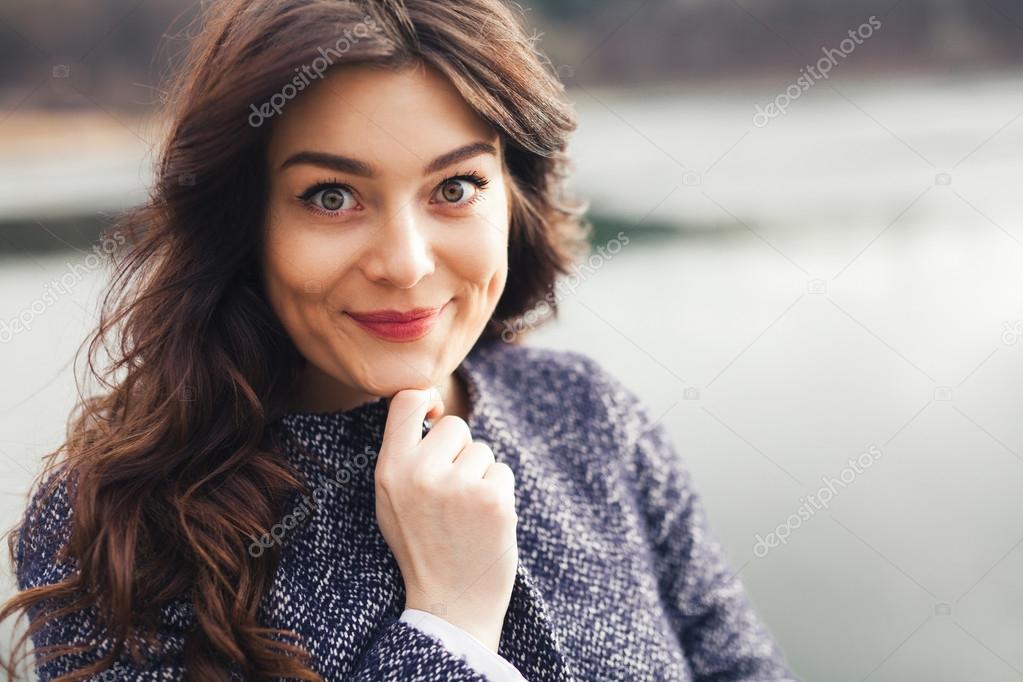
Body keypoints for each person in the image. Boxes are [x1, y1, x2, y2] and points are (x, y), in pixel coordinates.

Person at [1, 1, 800, 680]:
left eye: (454, 188)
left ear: (514, 200)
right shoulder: (110, 527)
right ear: (242, 222)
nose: (406, 264)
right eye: (331, 196)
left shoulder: (588, 413)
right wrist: (446, 626)